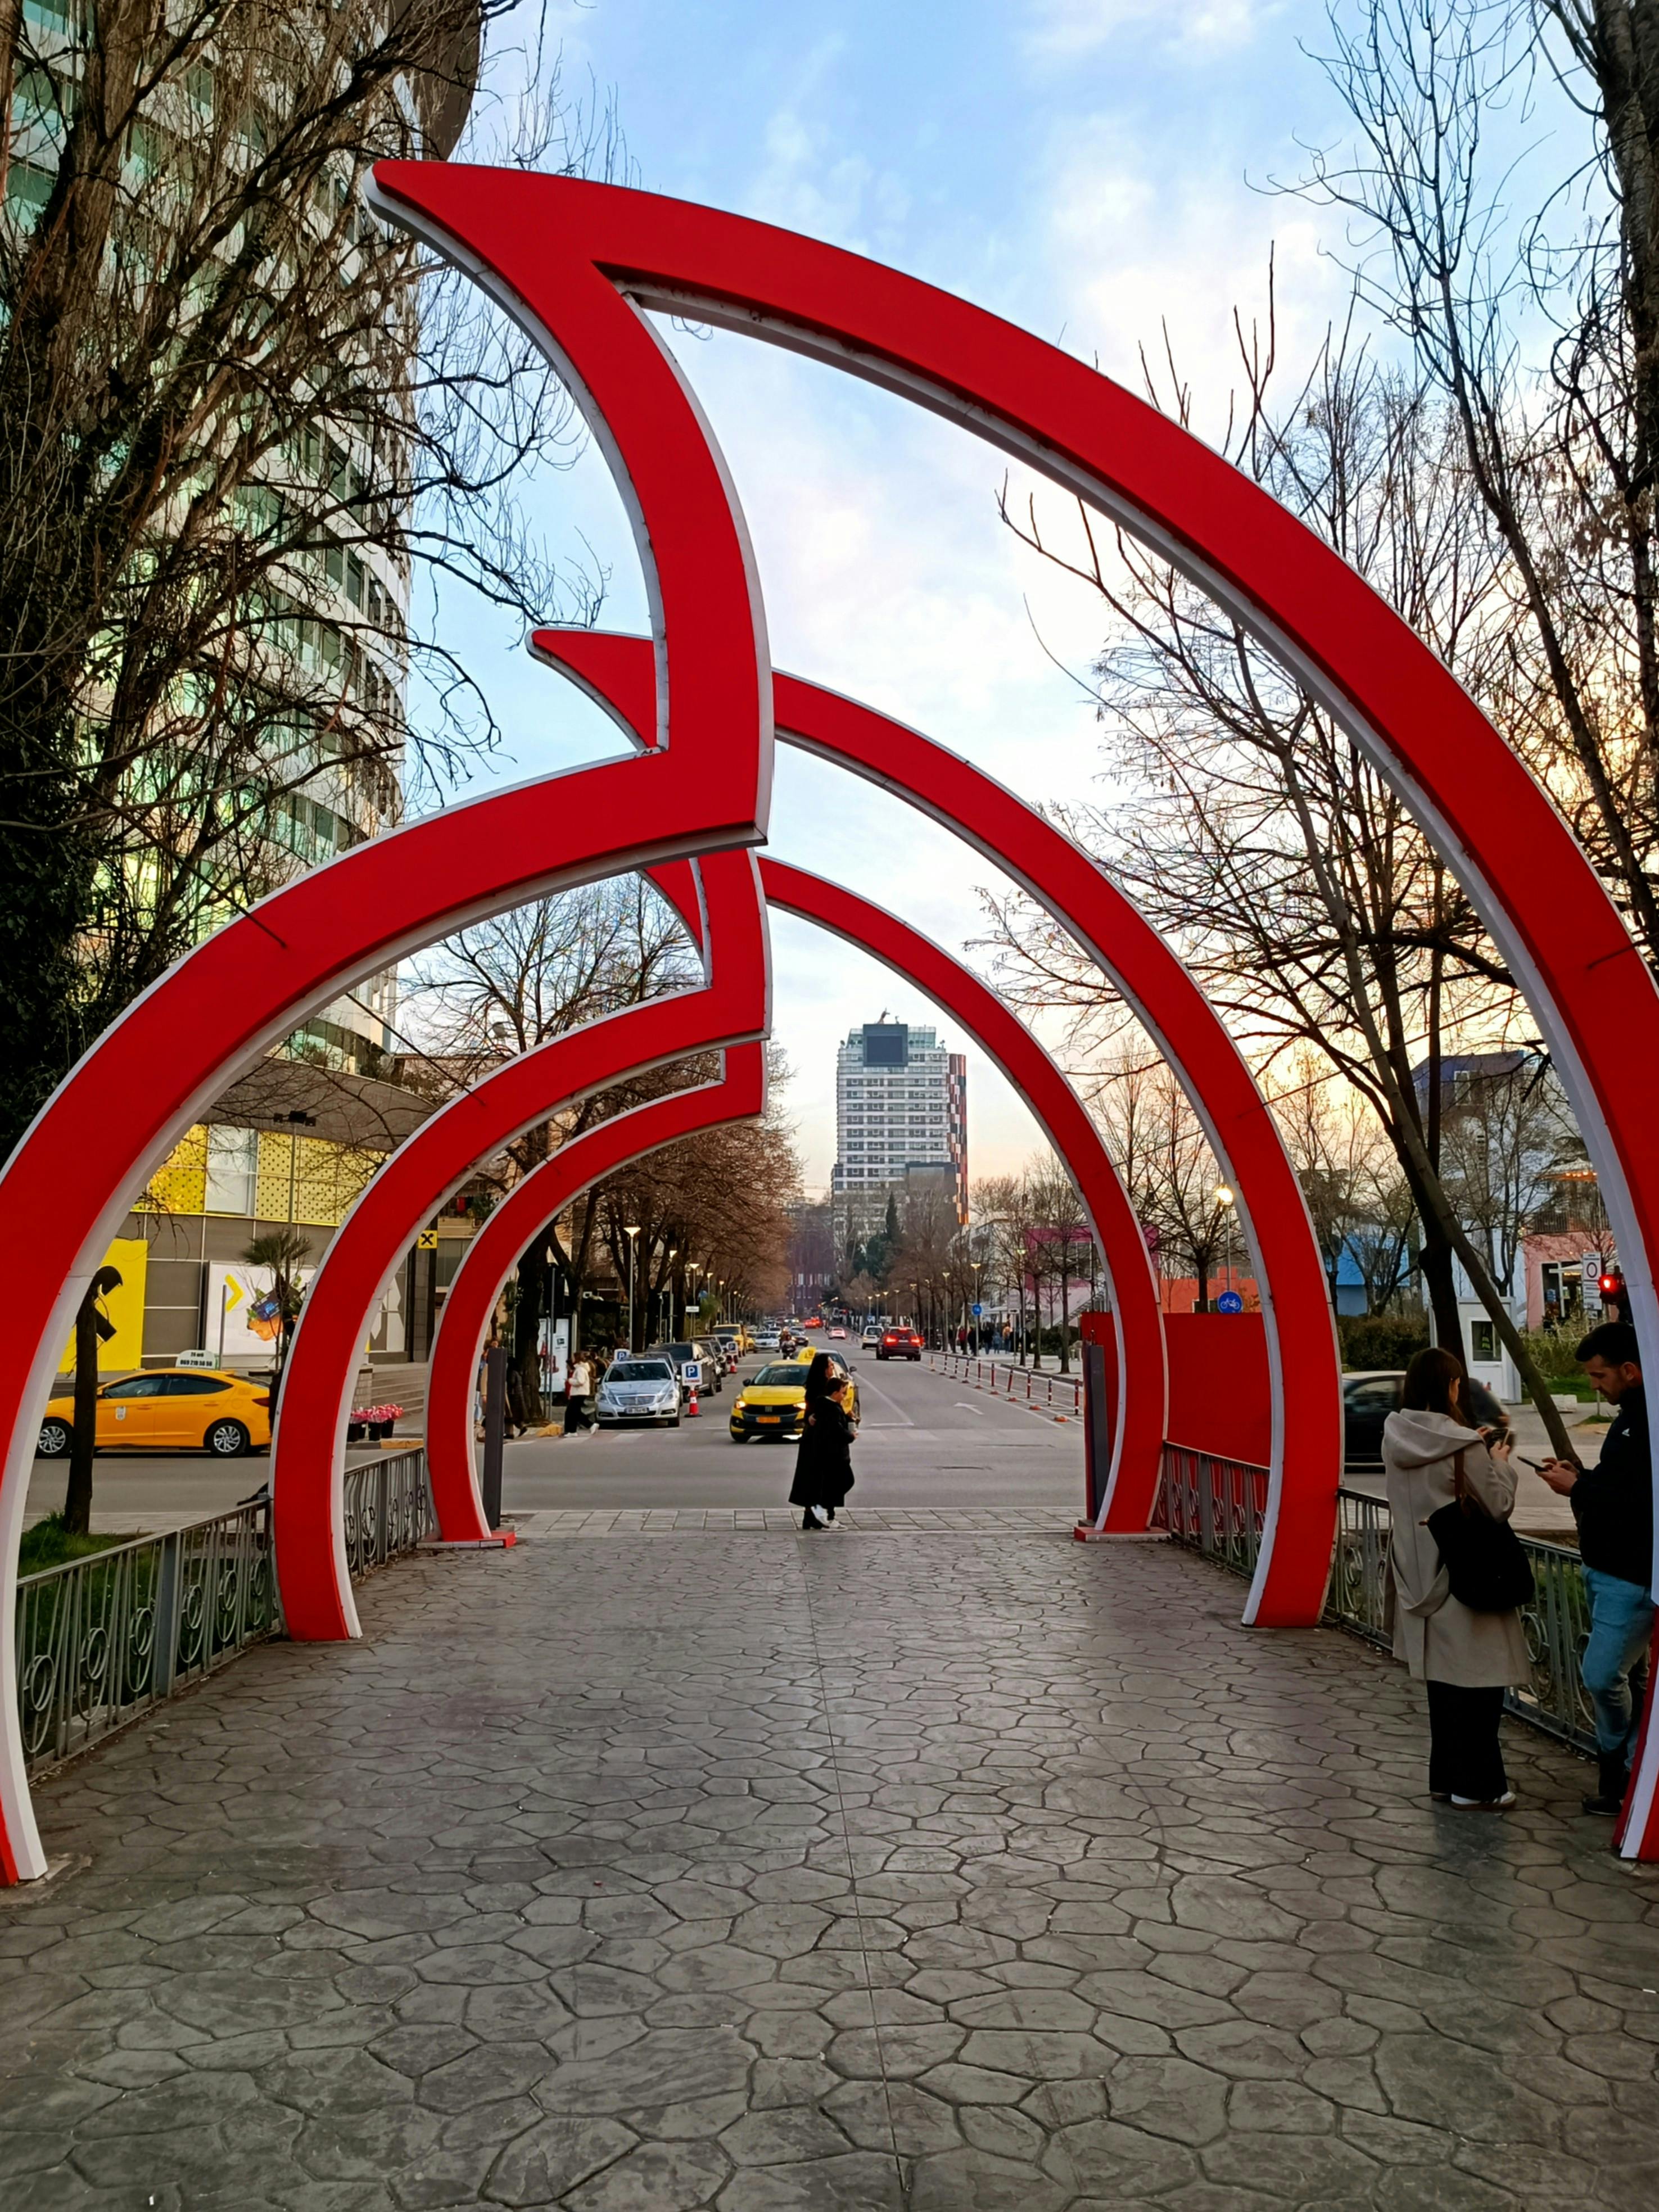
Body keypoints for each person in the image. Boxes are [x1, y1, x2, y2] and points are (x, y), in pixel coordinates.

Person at [1384, 1344, 1529, 1810]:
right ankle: (1477, 1786)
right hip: (1463, 1573)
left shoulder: (1394, 1435)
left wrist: (1473, 1449)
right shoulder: (1463, 1444)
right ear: (1450, 1386)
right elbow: (1497, 1505)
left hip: (1416, 1573)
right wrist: (1498, 1463)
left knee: (1443, 1688)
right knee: (1480, 1686)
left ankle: (1445, 1778)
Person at [1537, 1320, 1655, 1815]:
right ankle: (1622, 1774)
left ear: (1629, 1370)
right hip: (1606, 1567)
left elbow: (1639, 1500)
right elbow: (1618, 1484)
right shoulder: (1629, 1418)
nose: (1593, 1385)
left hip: (1629, 1574)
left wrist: (1580, 1488)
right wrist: (1580, 1477)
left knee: (1602, 1674)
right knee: (1624, 1677)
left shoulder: (1646, 1422)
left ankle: (1624, 1763)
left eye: (1598, 1375)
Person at [789, 1353, 855, 1532]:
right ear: (823, 1369)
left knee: (817, 1482)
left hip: (818, 1441)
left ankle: (812, 1517)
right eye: (830, 1365)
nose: (833, 1368)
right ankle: (823, 1517)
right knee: (824, 1482)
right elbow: (816, 1413)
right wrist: (811, 1417)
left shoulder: (824, 1386)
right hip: (820, 1443)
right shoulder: (820, 1388)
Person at [564, 1351, 593, 1437]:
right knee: (572, 1412)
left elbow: (580, 1381)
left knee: (573, 1412)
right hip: (578, 1392)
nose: (572, 1359)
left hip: (579, 1393)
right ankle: (572, 1431)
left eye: (573, 1358)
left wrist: (570, 1380)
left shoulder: (580, 1369)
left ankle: (590, 1425)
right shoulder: (579, 1369)